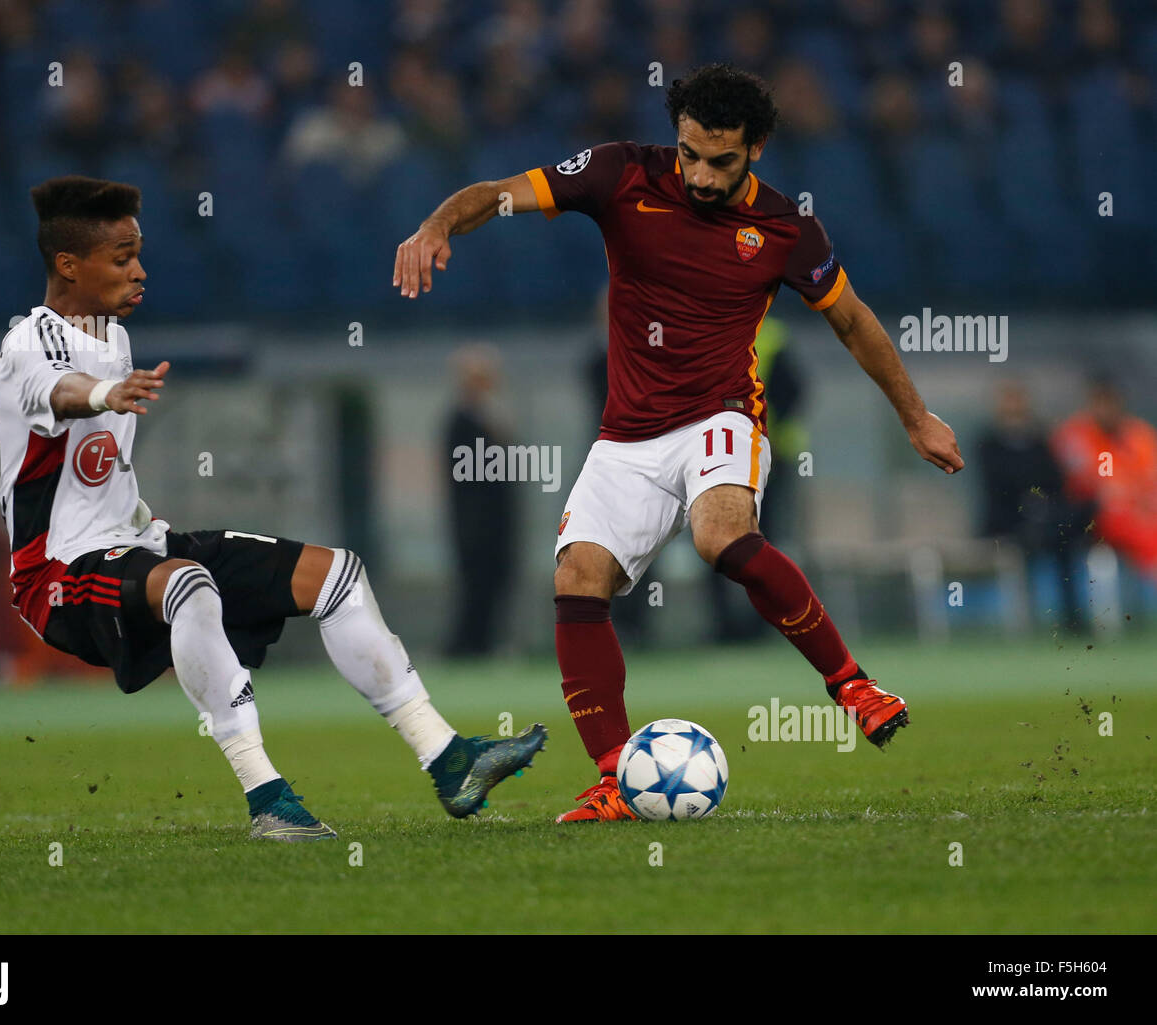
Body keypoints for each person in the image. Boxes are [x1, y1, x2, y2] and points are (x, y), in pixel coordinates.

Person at [394, 64, 963, 822]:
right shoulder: (619, 172)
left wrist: (915, 415)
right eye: (690, 152)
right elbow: (497, 194)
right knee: (576, 578)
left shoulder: (790, 231)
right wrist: (437, 225)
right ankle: (613, 780)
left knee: (721, 534)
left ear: (756, 148)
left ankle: (852, 683)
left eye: (720, 160)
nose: (699, 174)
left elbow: (853, 321)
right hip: (627, 433)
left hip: (721, 414)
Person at [0, 176, 545, 843]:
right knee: (190, 587)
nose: (140, 271)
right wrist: (106, 393)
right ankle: (266, 796)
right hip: (56, 574)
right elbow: (62, 390)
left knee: (336, 574)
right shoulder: (28, 344)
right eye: (121, 258)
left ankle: (448, 757)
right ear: (68, 265)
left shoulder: (111, 334)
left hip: (137, 542)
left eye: (138, 253)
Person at [975, 382, 1091, 631]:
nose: (1014, 406)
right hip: (1006, 523)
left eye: (1017, 399)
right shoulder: (988, 443)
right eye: (1008, 399)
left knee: (1064, 542)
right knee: (1039, 541)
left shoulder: (1042, 441)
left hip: (1045, 520)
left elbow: (1054, 481)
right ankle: (1028, 623)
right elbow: (997, 489)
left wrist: (1038, 503)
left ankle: (1072, 619)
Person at [444, 344, 519, 656]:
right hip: (474, 520)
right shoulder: (461, 421)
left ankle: (484, 642)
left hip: (497, 518)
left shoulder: (492, 417)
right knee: (476, 583)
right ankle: (468, 645)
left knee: (497, 579)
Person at [1052, 377, 1157, 581]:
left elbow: (1150, 478)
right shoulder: (1078, 435)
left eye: (1111, 402)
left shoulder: (1137, 434)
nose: (1106, 409)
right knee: (1129, 520)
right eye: (1101, 402)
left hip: (1138, 509)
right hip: (1093, 514)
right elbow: (1100, 485)